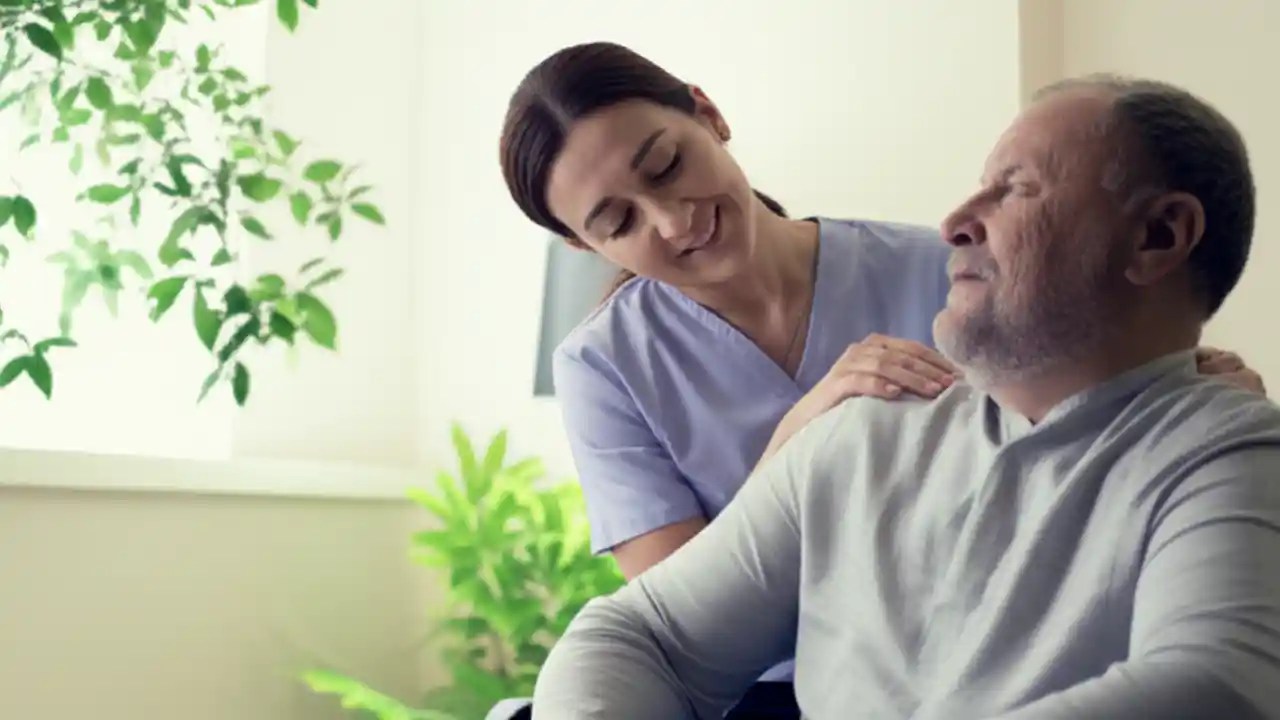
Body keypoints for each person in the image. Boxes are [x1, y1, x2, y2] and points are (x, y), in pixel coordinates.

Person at [495, 42, 1267, 719]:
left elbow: (1215, 680)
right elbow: (655, 627)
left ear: (709, 116)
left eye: (665, 165)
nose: (670, 221)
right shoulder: (832, 437)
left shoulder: (1213, 452)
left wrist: (1184, 392)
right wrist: (803, 438)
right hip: (752, 685)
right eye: (618, 223)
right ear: (582, 243)